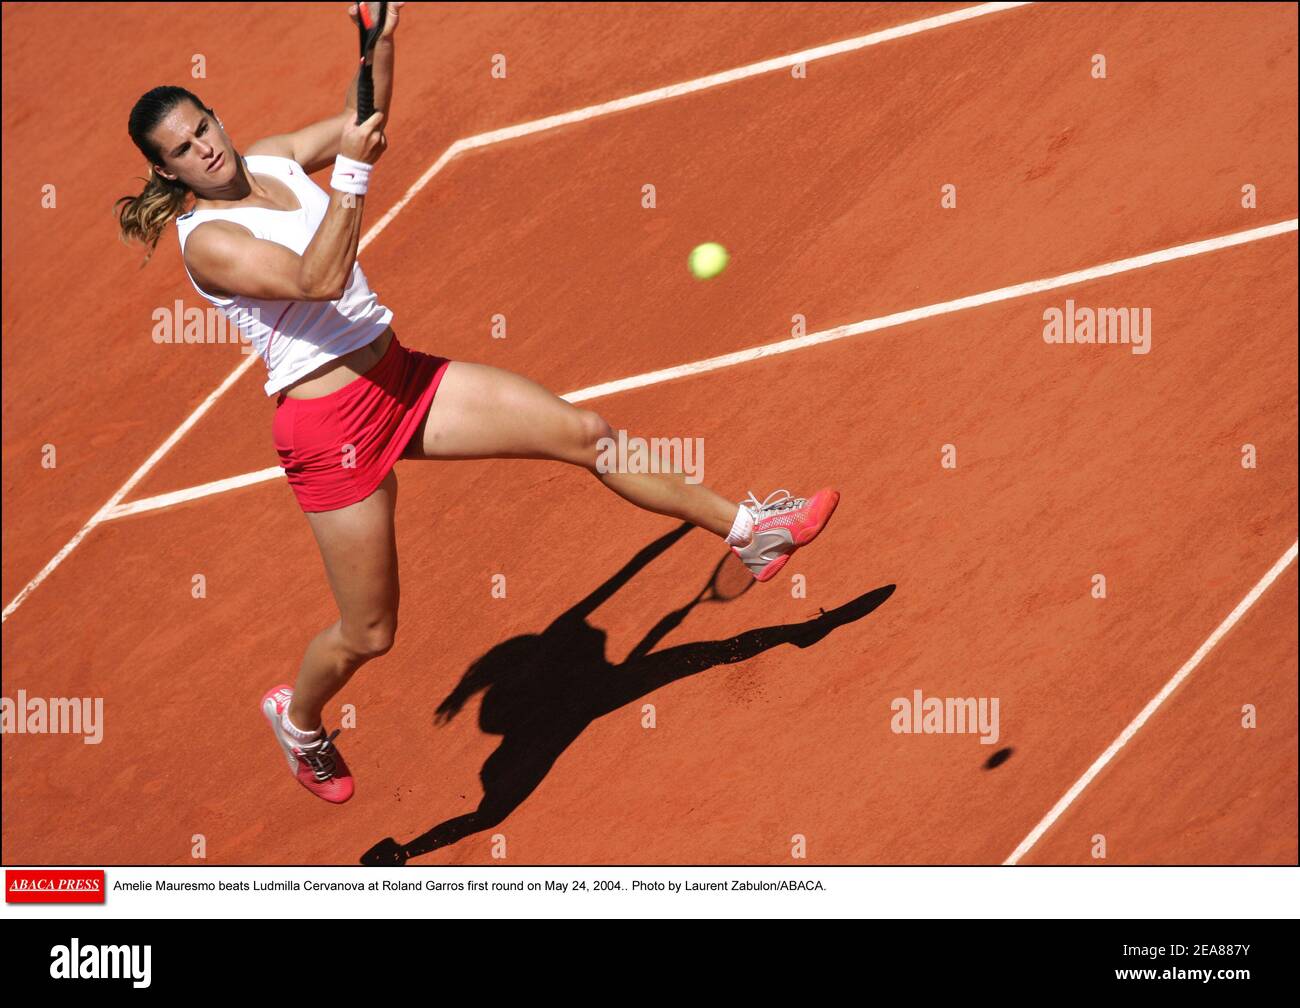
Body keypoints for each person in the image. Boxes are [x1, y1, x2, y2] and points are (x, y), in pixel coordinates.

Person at [115, 3, 838, 804]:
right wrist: (352, 173)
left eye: (202, 127)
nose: (205, 149)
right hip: (330, 434)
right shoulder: (209, 241)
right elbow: (316, 278)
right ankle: (301, 722)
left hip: (402, 380)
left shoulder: (277, 158)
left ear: (216, 116)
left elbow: (368, 115)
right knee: (370, 634)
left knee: (587, 433)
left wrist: (382, 37)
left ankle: (753, 533)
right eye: (182, 150)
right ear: (167, 173)